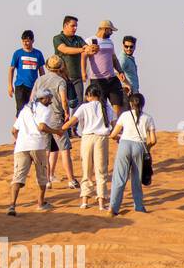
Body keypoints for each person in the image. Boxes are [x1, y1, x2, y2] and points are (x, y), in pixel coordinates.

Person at [61, 86, 114, 211]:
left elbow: (72, 122)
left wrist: (60, 130)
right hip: (101, 138)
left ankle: (85, 200)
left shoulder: (84, 107)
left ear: (88, 95)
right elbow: (114, 125)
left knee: (86, 169)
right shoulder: (106, 107)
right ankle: (101, 202)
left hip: (87, 138)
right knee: (101, 171)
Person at [8, 86, 59, 216]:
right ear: (45, 98)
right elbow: (42, 127)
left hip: (21, 146)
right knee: (42, 175)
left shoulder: (25, 110)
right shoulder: (45, 110)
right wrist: (56, 131)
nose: (51, 101)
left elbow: (14, 130)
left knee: (18, 177)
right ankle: (41, 203)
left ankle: (12, 205)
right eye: (50, 98)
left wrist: (20, 140)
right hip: (37, 144)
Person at [31, 56, 77, 188]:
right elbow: (64, 99)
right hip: (56, 117)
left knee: (46, 150)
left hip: (41, 119)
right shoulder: (60, 81)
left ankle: (47, 180)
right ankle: (71, 180)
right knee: (64, 149)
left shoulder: (40, 79)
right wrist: (67, 112)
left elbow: (32, 98)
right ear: (61, 67)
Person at [108, 92, 156, 216]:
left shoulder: (124, 115)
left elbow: (113, 134)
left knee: (119, 178)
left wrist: (119, 137)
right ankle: (139, 206)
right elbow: (153, 140)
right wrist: (147, 147)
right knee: (136, 178)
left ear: (130, 103)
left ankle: (113, 207)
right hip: (139, 146)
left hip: (124, 145)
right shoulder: (148, 118)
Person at [81, 19, 130, 116]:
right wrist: (83, 72)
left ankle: (115, 125)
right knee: (100, 105)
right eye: (110, 30)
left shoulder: (110, 42)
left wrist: (120, 71)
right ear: (105, 29)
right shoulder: (89, 40)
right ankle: (105, 126)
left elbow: (114, 58)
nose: (111, 33)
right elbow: (83, 56)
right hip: (97, 79)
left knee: (117, 102)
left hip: (111, 77)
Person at [53, 15, 93, 111]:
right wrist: (82, 49)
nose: (75, 28)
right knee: (62, 103)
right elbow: (65, 50)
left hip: (77, 77)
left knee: (79, 104)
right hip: (62, 77)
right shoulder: (58, 38)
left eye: (76, 26)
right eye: (73, 26)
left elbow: (87, 49)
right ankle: (63, 125)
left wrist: (92, 48)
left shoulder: (78, 39)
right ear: (65, 25)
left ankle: (74, 126)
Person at [8, 30, 47, 115]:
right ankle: (19, 127)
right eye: (24, 41)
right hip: (21, 85)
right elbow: (11, 69)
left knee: (33, 109)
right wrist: (10, 85)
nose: (25, 43)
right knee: (21, 110)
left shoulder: (38, 53)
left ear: (32, 41)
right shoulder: (18, 53)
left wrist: (43, 85)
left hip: (34, 86)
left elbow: (41, 71)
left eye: (27, 41)